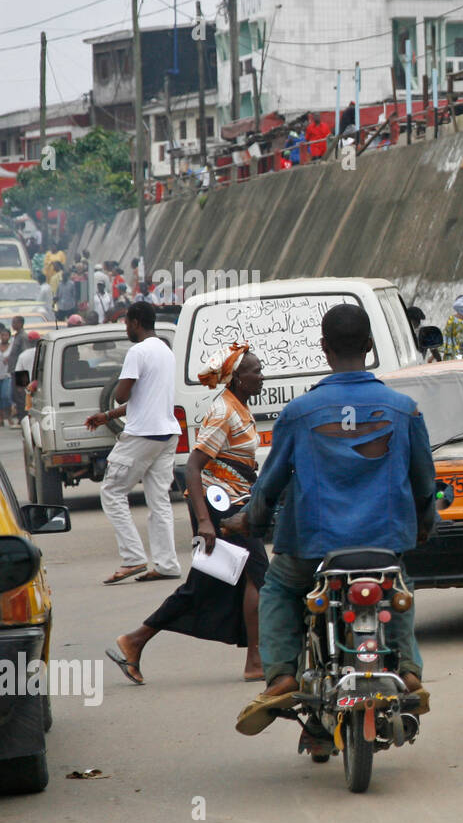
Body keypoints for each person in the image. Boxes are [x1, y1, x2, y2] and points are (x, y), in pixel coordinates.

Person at [234, 303, 437, 735]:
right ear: (369, 345)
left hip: (313, 548)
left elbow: (268, 485)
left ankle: (283, 676)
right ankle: (409, 671)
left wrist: (252, 519)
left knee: (279, 589)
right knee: (396, 585)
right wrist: (424, 522)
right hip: (383, 543)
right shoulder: (404, 410)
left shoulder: (299, 413)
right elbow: (424, 482)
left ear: (324, 349)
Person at [105, 346, 269, 686]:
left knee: (204, 587)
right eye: (255, 370)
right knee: (257, 576)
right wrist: (205, 520)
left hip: (236, 503)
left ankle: (134, 641)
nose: (261, 375)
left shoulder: (240, 406)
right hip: (222, 508)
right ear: (238, 378)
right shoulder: (224, 411)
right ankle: (256, 659)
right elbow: (193, 467)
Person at [90, 302, 182, 585]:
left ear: (137, 322)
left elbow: (121, 394)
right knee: (159, 500)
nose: (125, 328)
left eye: (127, 322)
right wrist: (108, 416)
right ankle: (167, 564)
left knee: (112, 491)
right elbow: (141, 400)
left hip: (143, 435)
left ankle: (133, 558)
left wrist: (114, 399)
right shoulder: (165, 351)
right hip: (167, 434)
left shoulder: (137, 352)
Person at [0, 327, 10, 429]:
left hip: (7, 375)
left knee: (5, 396)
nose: (3, 337)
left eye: (5, 335)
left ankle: (9, 416)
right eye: (2, 335)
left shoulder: (11, 347)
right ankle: (1, 418)